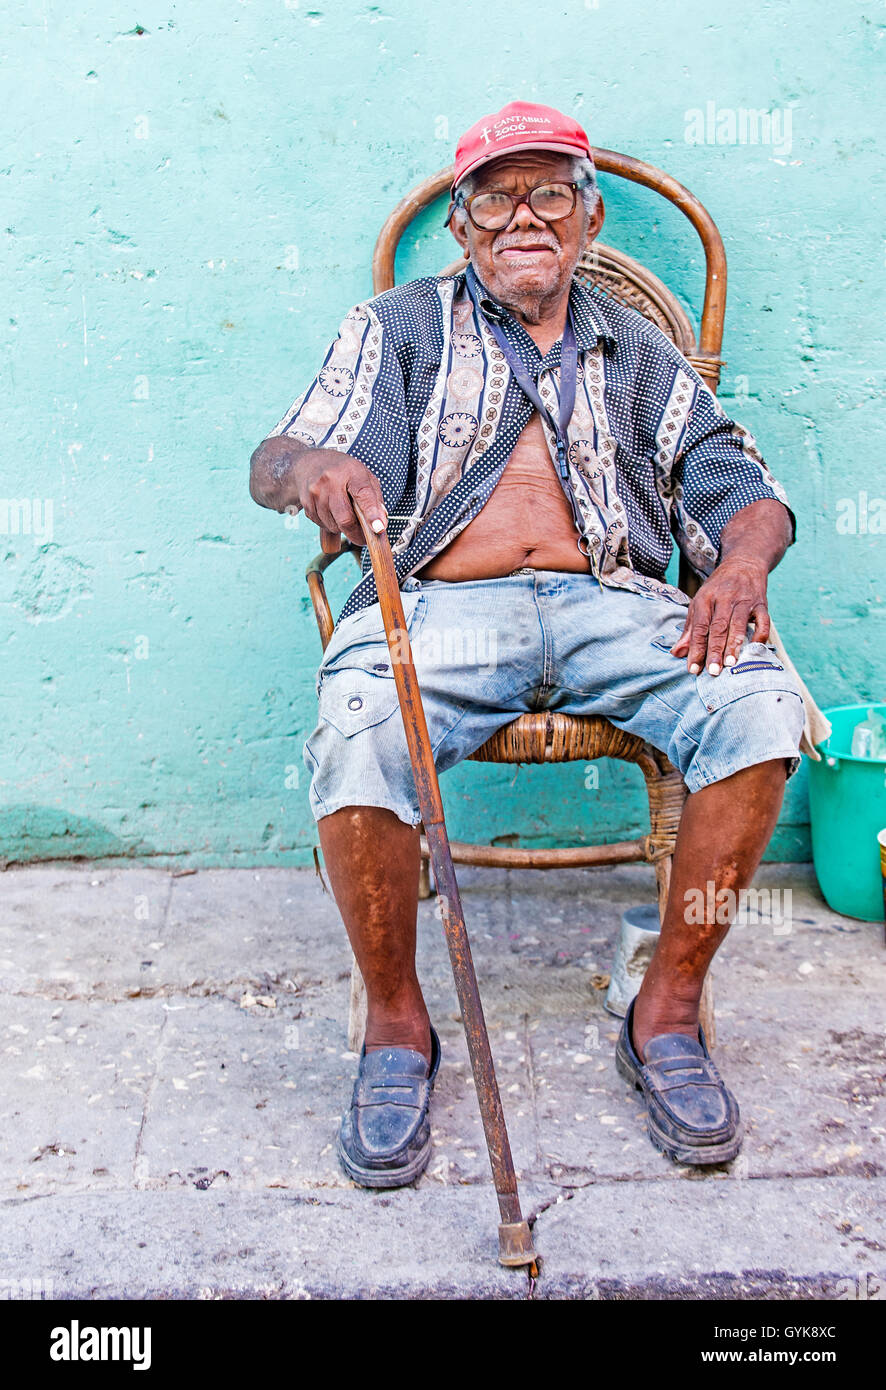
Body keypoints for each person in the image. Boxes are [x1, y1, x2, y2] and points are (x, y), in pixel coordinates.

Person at [250, 101, 805, 1186]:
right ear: (461, 228)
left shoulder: (637, 349)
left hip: (610, 604)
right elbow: (278, 456)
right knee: (356, 733)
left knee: (761, 707)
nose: (523, 218)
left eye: (549, 192)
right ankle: (398, 1028)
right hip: (444, 609)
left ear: (587, 219)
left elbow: (744, 486)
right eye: (495, 198)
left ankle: (667, 1015)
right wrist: (311, 475)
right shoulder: (398, 328)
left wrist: (739, 565)